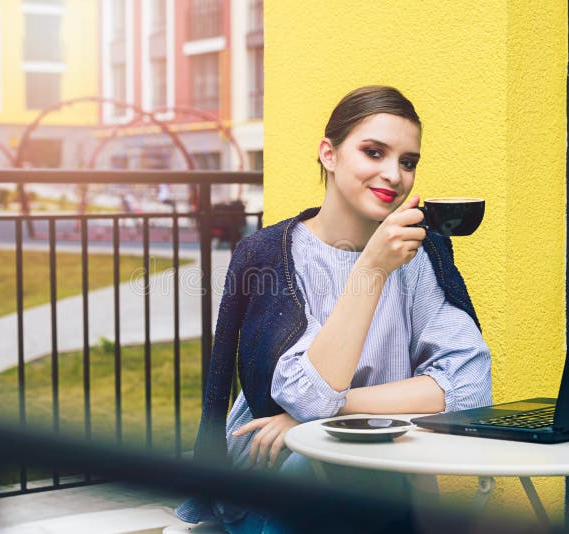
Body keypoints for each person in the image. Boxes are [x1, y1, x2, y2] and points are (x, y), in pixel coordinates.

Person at [175, 86, 492, 532]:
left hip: (377, 462)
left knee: (378, 477)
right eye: (373, 152)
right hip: (275, 467)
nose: (393, 175)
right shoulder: (271, 255)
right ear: (329, 154)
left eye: (407, 162)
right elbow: (304, 394)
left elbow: (470, 386)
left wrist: (328, 414)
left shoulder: (422, 255)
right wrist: (372, 269)